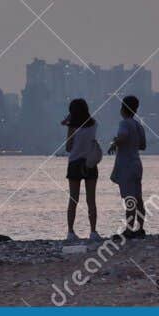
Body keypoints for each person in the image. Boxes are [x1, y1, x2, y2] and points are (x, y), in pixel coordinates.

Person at [107, 95, 148, 238]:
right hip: (137, 164)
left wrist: (114, 143)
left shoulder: (124, 123)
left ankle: (129, 230)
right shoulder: (139, 125)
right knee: (139, 198)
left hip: (127, 166)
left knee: (129, 200)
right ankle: (140, 228)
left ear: (123, 108)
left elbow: (123, 136)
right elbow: (143, 145)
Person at [61, 98, 101, 241]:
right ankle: (93, 231)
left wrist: (68, 121)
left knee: (73, 199)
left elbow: (68, 147)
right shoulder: (94, 124)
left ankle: (71, 232)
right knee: (91, 200)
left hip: (74, 164)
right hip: (90, 163)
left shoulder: (72, 127)